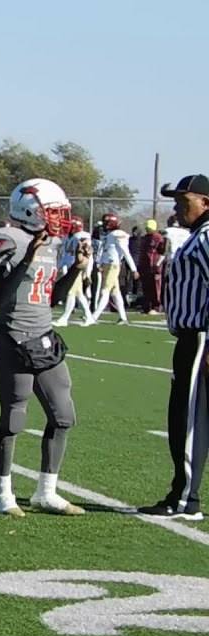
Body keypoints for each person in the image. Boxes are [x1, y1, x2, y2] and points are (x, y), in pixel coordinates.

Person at [0, 178, 89, 517]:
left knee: (63, 416)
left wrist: (76, 269)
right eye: (53, 211)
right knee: (14, 418)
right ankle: (2, 493)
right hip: (14, 338)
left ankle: (46, 492)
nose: (59, 218)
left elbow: (51, 297)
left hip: (44, 338)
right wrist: (28, 256)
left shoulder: (52, 243)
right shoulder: (7, 240)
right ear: (29, 209)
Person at [138, 175, 209, 521]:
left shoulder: (207, 236)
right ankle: (183, 494)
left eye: (185, 202)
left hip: (201, 338)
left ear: (206, 202)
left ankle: (184, 499)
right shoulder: (198, 235)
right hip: (192, 337)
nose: (179, 209)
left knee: (187, 419)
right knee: (186, 416)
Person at [88, 213, 136, 325]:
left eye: (107, 223)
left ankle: (94, 317)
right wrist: (100, 263)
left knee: (105, 291)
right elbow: (104, 250)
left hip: (113, 265)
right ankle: (123, 318)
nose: (105, 225)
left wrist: (133, 268)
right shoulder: (108, 235)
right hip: (107, 265)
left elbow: (125, 252)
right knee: (115, 293)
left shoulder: (119, 234)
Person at [53, 217, 94, 327]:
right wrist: (57, 267)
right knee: (79, 294)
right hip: (71, 268)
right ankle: (89, 317)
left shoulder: (82, 236)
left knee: (71, 292)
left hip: (77, 268)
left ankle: (64, 318)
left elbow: (88, 256)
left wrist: (87, 273)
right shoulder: (67, 237)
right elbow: (65, 256)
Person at [138, 219, 166, 313]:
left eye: (149, 228)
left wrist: (157, 265)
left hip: (154, 266)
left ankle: (156, 307)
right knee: (146, 287)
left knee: (155, 287)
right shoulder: (145, 238)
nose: (148, 229)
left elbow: (162, 252)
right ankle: (146, 306)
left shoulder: (158, 237)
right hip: (144, 266)